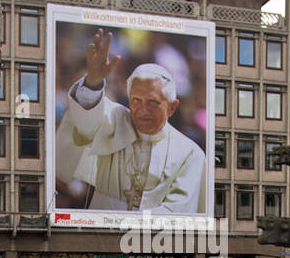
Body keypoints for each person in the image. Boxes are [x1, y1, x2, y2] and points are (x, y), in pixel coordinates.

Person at [55, 30, 206, 212]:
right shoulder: (117, 121)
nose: (142, 110)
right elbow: (86, 120)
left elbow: (178, 214)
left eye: (152, 102)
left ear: (172, 108)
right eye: (136, 100)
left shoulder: (189, 154)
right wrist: (93, 83)